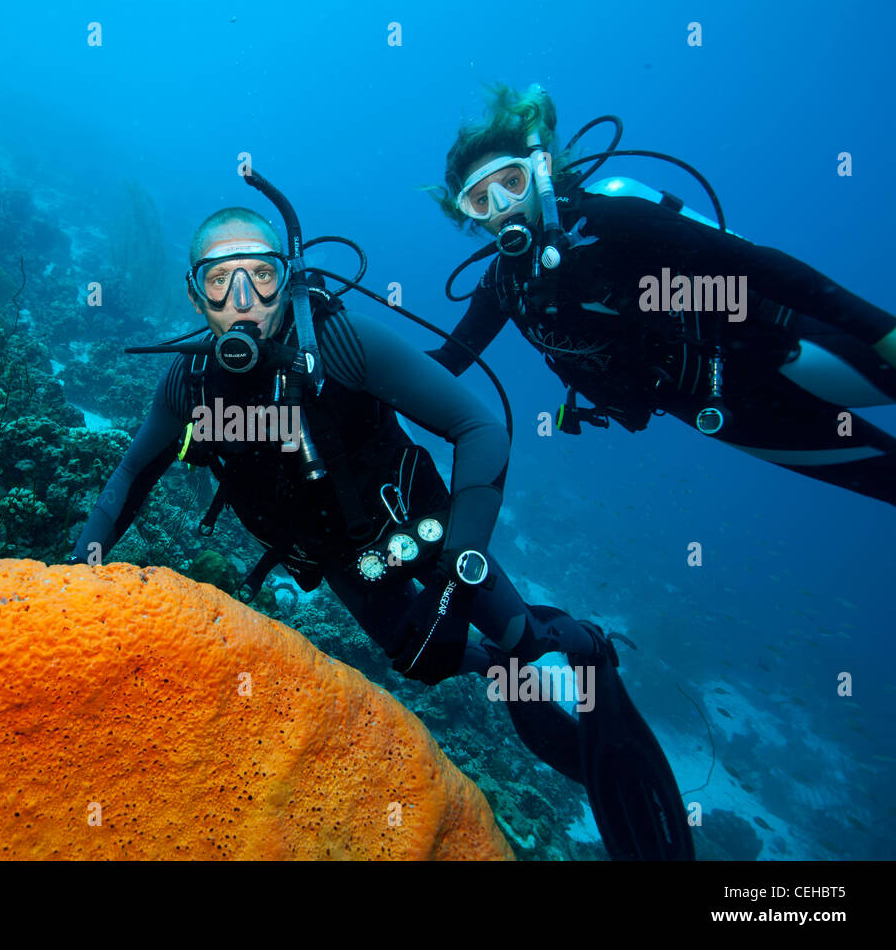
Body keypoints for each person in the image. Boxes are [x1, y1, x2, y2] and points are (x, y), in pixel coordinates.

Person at [67, 194, 695, 860]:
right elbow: (129, 479)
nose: (242, 298)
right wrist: (76, 579)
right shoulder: (188, 384)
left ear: (288, 277)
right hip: (347, 561)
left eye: (261, 274)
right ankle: (511, 673)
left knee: (524, 646)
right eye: (220, 281)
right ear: (196, 297)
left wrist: (455, 585)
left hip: (428, 533)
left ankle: (580, 646)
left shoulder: (342, 342)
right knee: (422, 661)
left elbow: (481, 428)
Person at [430, 84, 896, 505]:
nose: (504, 207)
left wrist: (880, 330)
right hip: (723, 411)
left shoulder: (608, 221)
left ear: (540, 172)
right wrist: (358, 355)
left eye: (512, 183)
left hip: (780, 345)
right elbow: (451, 359)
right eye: (482, 200)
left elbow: (757, 265)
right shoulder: (503, 285)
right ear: (469, 214)